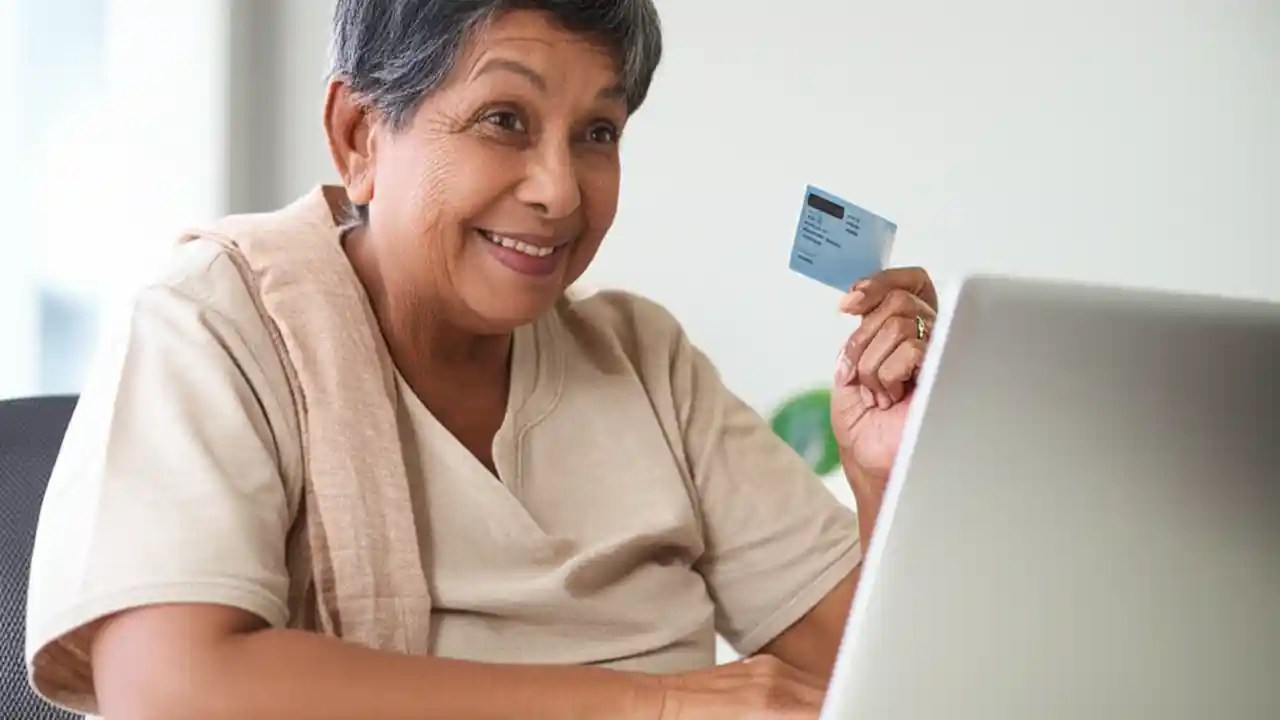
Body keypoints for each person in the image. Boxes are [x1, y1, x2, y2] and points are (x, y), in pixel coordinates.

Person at [25, 1, 938, 717]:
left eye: (598, 133)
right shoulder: (215, 320)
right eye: (505, 119)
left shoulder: (644, 358)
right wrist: (653, 704)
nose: (559, 189)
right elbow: (172, 690)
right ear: (359, 135)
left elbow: (876, 683)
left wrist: (877, 478)